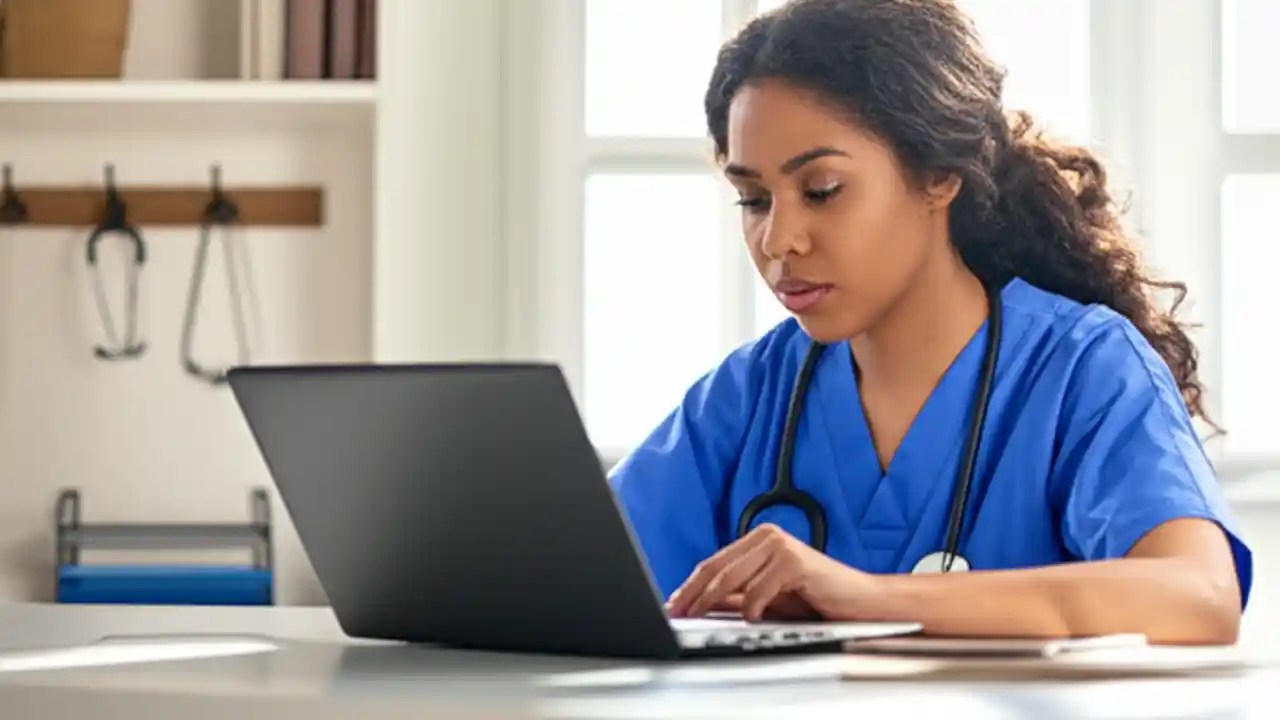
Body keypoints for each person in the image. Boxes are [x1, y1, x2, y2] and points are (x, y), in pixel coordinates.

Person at [607, 0, 1251, 644]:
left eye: (823, 190)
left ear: (939, 176)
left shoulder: (1083, 369)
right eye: (753, 199)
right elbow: (560, 579)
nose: (779, 240)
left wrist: (861, 596)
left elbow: (1200, 597)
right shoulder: (747, 398)